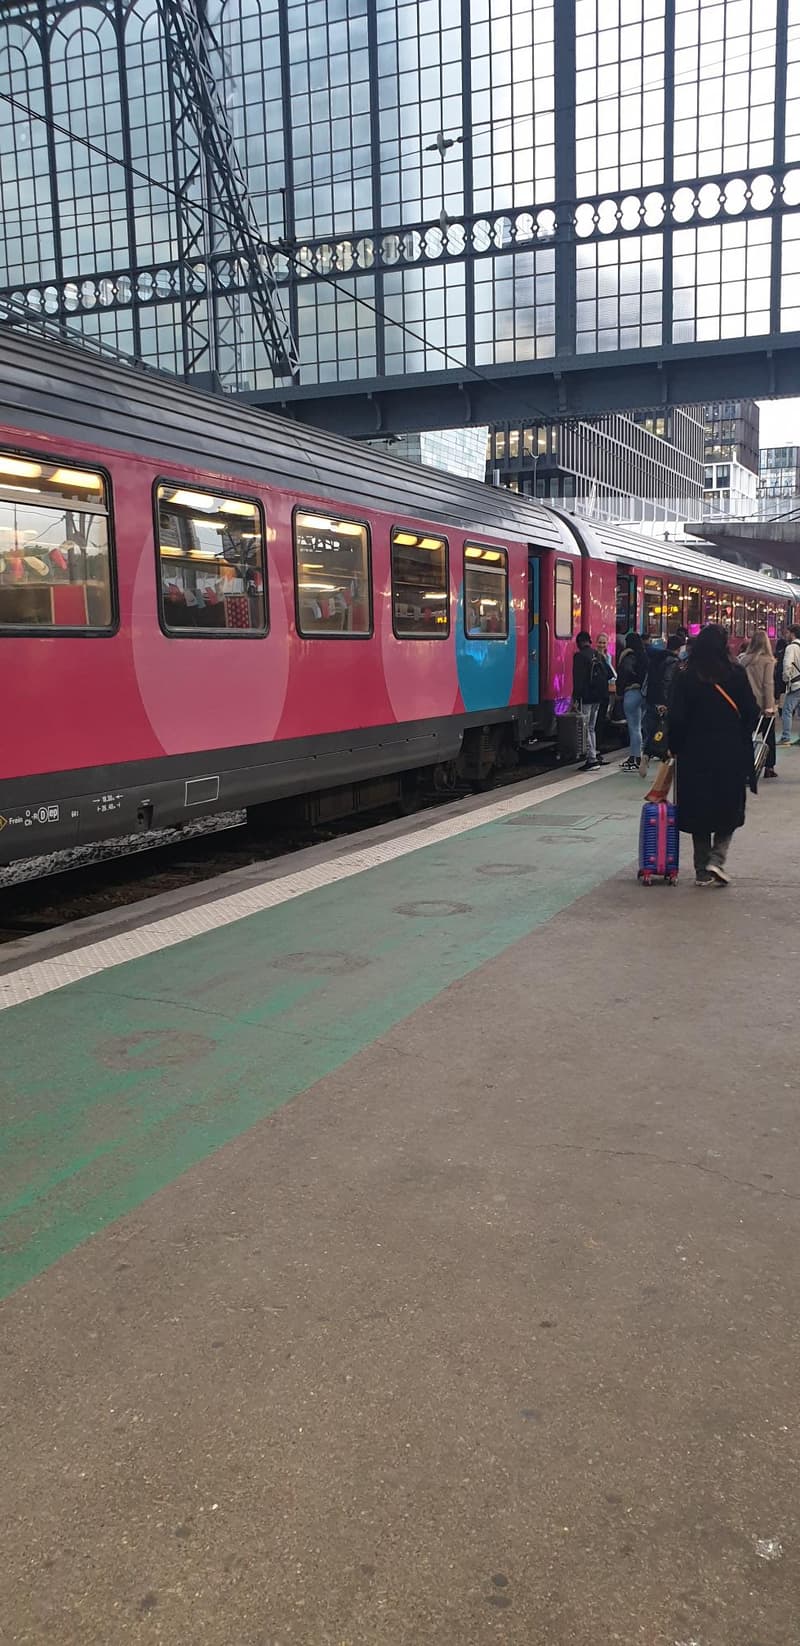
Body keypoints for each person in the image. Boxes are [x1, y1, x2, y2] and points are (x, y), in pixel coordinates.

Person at [668, 624, 758, 887]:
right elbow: (750, 712)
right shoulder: (736, 674)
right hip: (730, 753)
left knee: (699, 811)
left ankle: (701, 870)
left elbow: (677, 717)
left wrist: (674, 746)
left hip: (694, 755)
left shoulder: (686, 675)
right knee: (728, 807)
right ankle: (717, 859)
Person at [740, 629, 778, 778]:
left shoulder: (743, 660)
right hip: (762, 704)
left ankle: (746, 765)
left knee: (746, 736)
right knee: (768, 736)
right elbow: (768, 684)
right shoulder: (768, 660)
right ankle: (769, 767)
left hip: (746, 704)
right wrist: (769, 706)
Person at [572, 630, 609, 771]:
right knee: (592, 727)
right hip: (598, 697)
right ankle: (594, 754)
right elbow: (608, 674)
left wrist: (575, 698)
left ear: (579, 643)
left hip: (586, 697)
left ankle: (592, 759)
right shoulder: (597, 654)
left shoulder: (579, 656)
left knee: (585, 727)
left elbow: (578, 680)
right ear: (590, 641)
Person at [616, 630, 647, 773]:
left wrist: (619, 690)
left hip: (631, 692)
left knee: (633, 727)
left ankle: (635, 758)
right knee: (639, 727)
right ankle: (637, 757)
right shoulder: (644, 656)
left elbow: (624, 673)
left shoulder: (628, 656)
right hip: (642, 694)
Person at [594, 631, 617, 748]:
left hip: (606, 689)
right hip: (597, 691)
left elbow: (612, 673)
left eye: (604, 643)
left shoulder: (608, 656)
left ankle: (599, 741)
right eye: (600, 642)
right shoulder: (594, 656)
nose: (601, 645)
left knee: (602, 717)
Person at [779, 623, 800, 745]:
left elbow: (787, 664)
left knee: (787, 710)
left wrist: (786, 679)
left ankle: (785, 737)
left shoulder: (791, 648)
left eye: (787, 633)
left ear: (792, 634)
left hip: (796, 684)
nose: (786, 635)